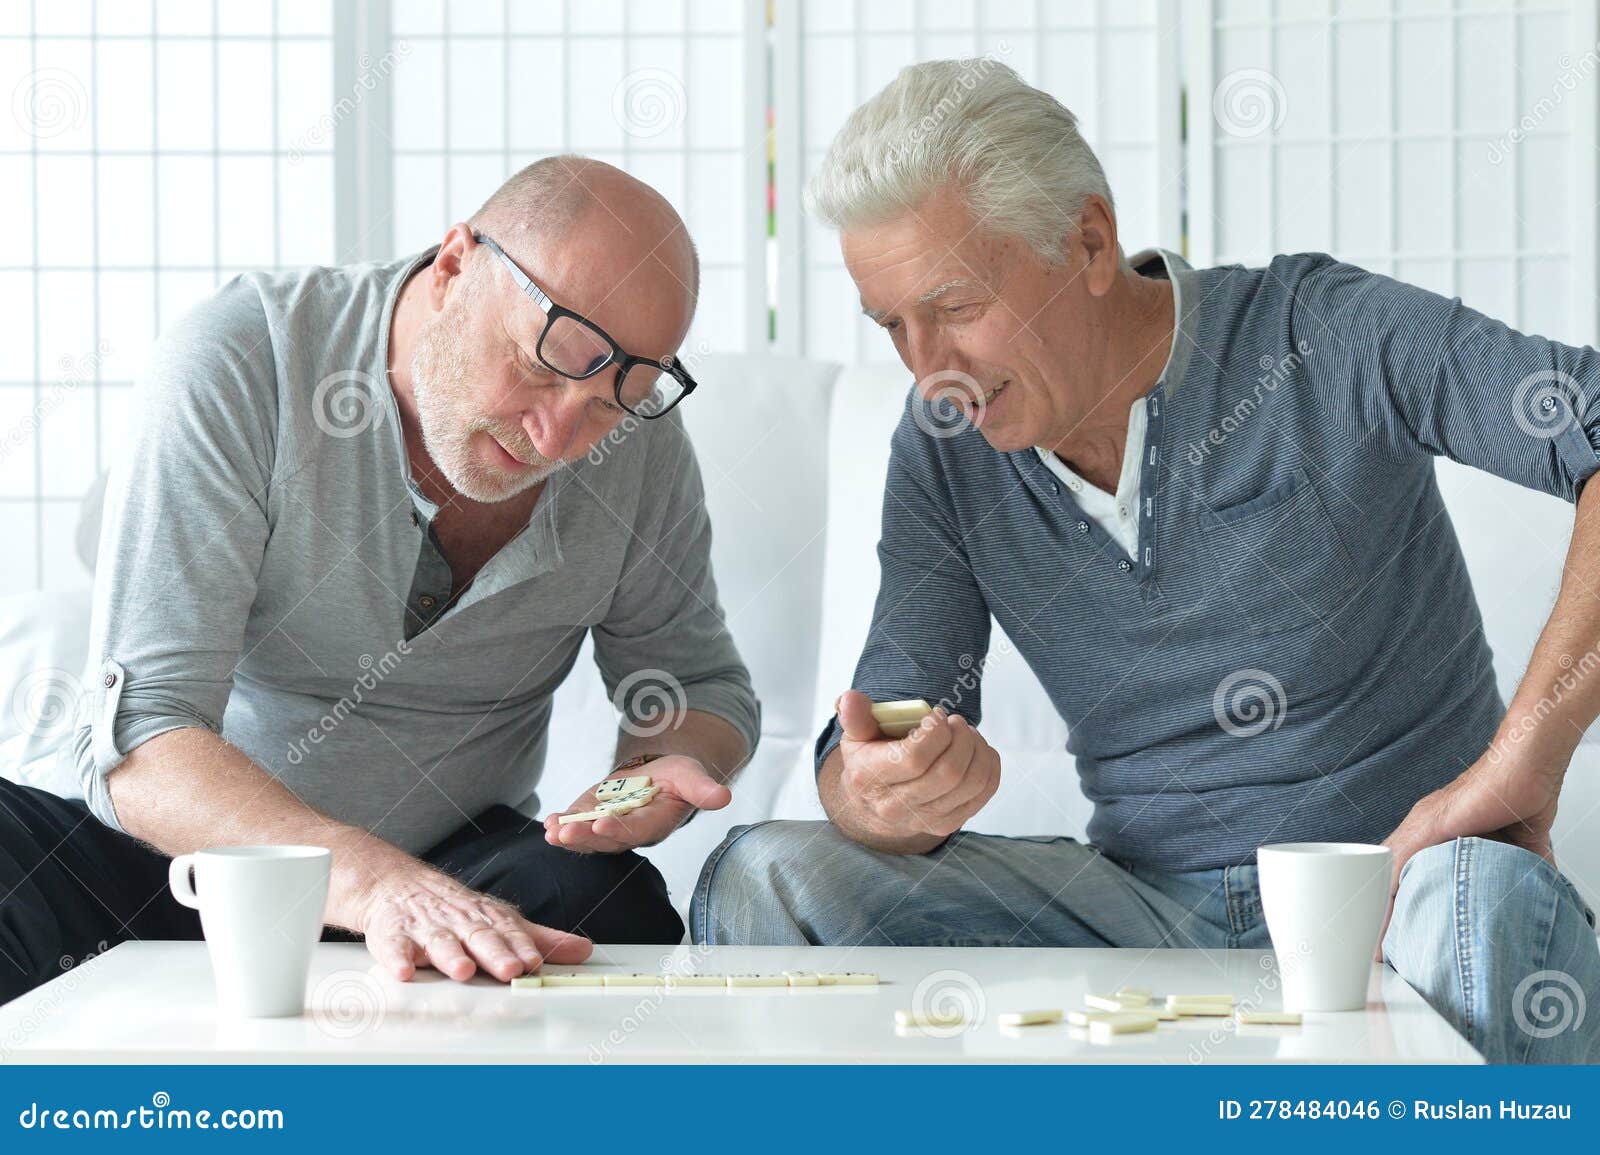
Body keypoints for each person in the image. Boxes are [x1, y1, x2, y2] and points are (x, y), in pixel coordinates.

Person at [691, 61, 1598, 1065]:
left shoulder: (1322, 335)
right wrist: (873, 793)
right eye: (892, 326)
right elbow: (888, 713)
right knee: (764, 876)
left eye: (951, 306)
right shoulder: (943, 448)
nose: (927, 367)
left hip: (1397, 891)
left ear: (1088, 240)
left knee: (1484, 897)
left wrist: (1524, 757)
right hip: (1144, 911)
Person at [0, 155, 759, 1004]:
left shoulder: (636, 450)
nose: (557, 437)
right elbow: (143, 738)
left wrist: (654, 769)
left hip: (456, 866)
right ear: (453, 267)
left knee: (603, 905)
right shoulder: (247, 358)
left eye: (612, 402)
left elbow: (697, 683)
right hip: (168, 865)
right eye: (543, 366)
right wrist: (370, 884)